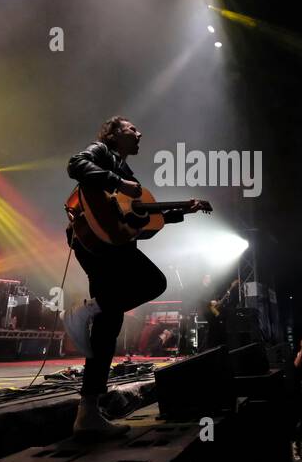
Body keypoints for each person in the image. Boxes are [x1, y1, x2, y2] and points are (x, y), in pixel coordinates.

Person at [62, 116, 208, 439]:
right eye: (131, 129)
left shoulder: (127, 175)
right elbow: (75, 165)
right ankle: (88, 410)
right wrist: (116, 182)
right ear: (114, 135)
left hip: (110, 243)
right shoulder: (101, 152)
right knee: (152, 283)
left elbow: (141, 220)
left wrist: (186, 209)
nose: (139, 133)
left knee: (109, 320)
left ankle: (87, 413)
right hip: (94, 239)